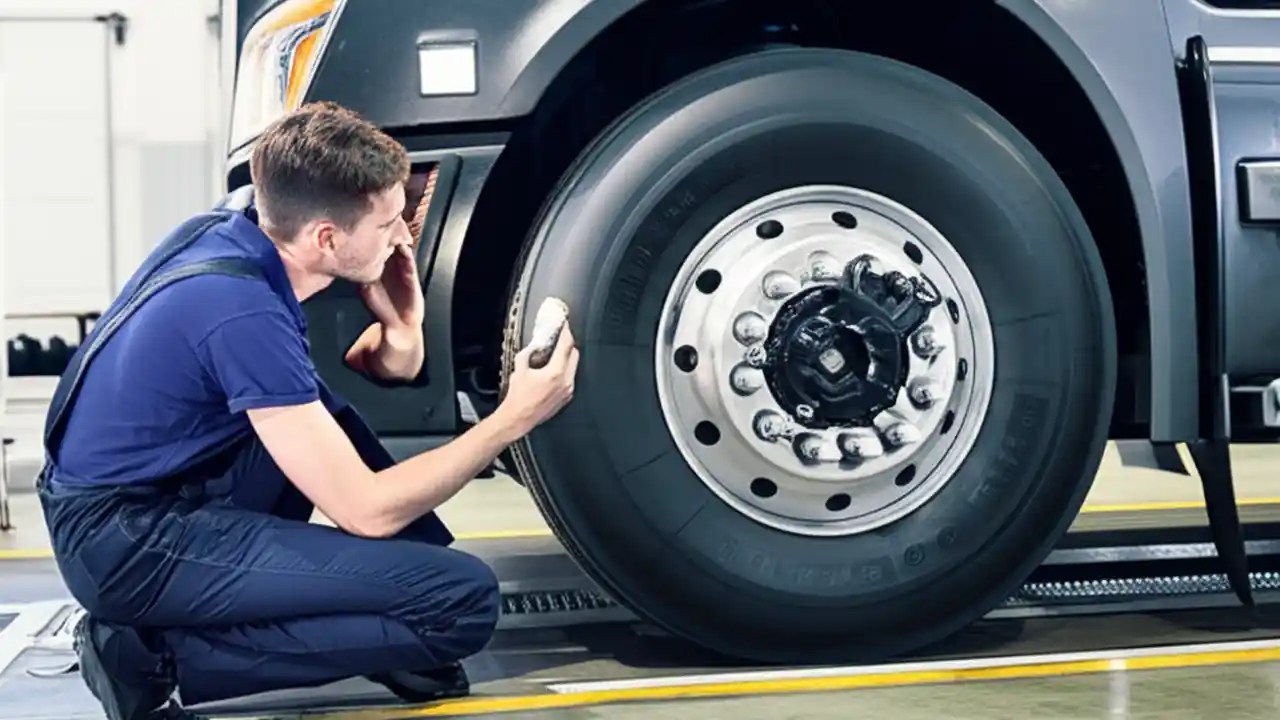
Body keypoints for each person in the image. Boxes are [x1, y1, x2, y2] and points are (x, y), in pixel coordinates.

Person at [35, 101, 579, 720]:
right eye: (389, 223)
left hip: (152, 497)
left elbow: (377, 375)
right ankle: (149, 655)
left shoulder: (232, 232)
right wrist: (513, 418)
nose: (403, 237)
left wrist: (405, 328)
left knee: (320, 406)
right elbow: (367, 510)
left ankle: (390, 610)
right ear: (326, 237)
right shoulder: (238, 310)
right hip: (129, 544)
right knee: (462, 600)